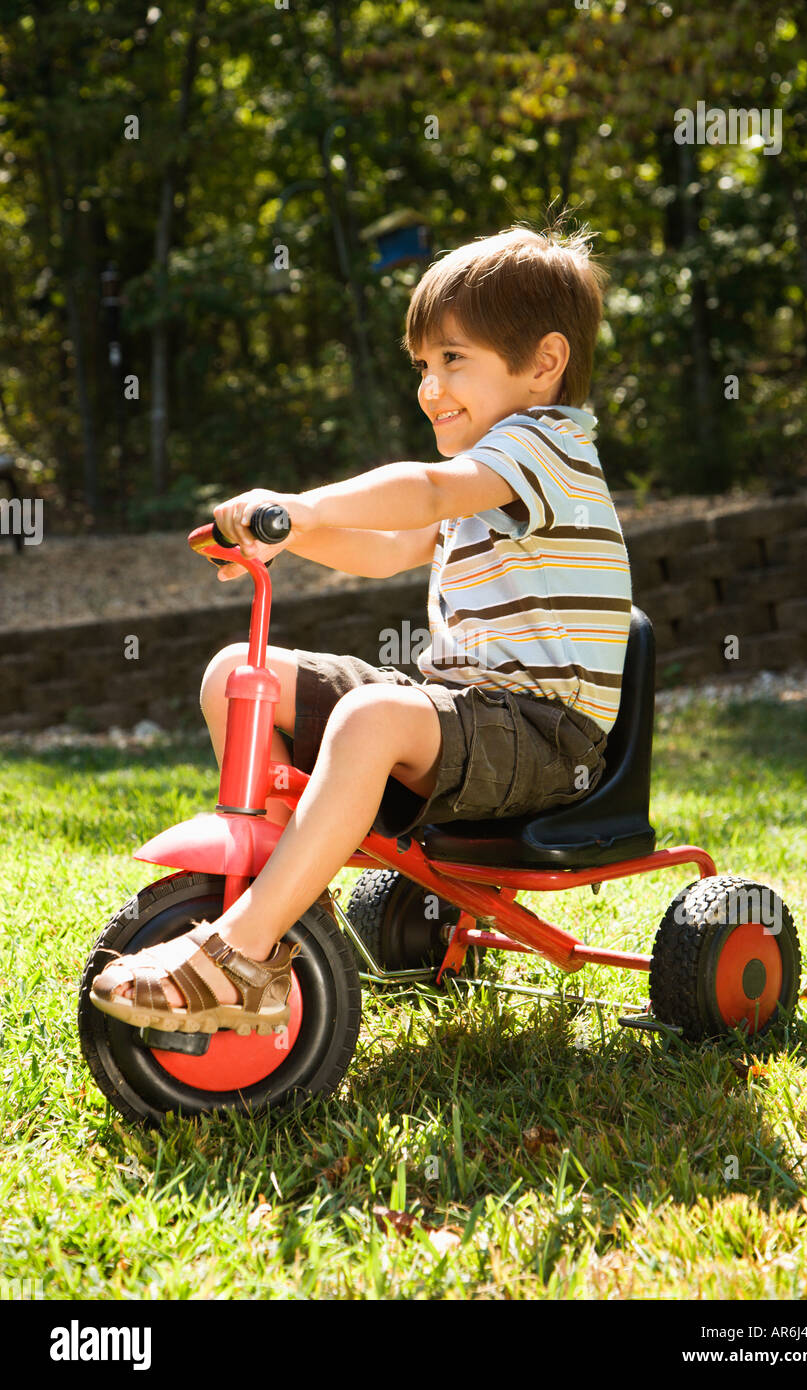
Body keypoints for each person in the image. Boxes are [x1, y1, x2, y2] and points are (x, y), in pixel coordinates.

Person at [90, 216, 632, 1034]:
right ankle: (283, 901)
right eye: (422, 364)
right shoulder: (488, 476)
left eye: (454, 359)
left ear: (544, 363)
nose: (429, 386)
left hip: (545, 737)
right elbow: (392, 548)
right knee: (239, 673)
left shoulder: (542, 446)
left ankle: (246, 946)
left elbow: (421, 494)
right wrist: (286, 535)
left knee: (373, 715)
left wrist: (303, 502)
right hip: (465, 714)